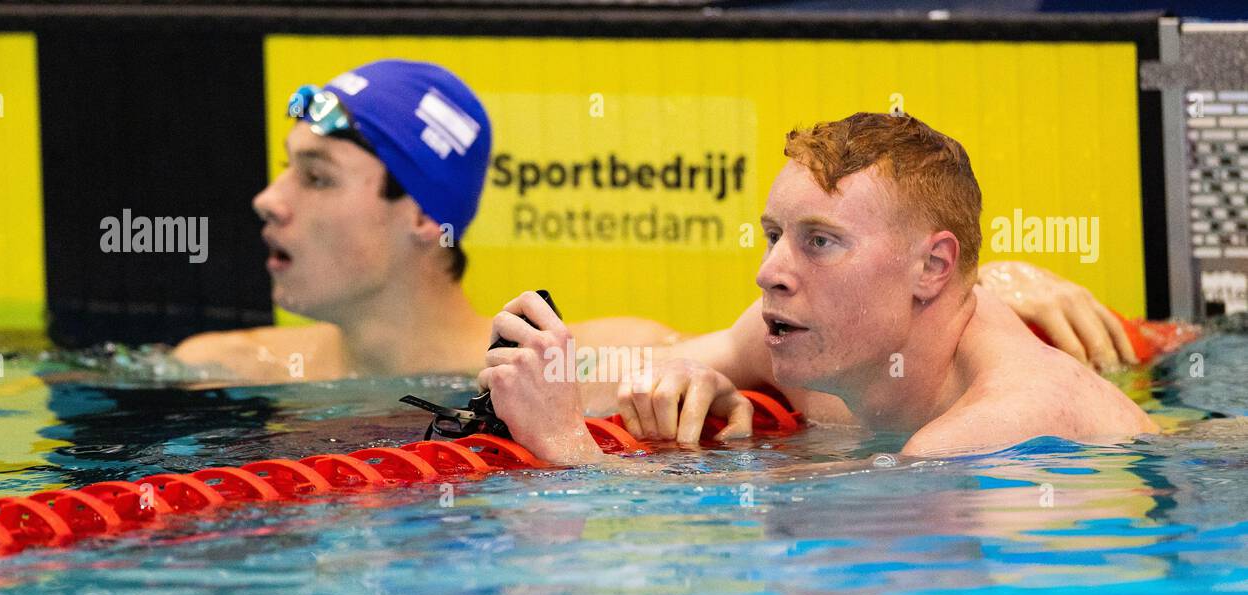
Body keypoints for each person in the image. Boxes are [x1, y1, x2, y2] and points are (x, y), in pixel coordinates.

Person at [174, 60, 1136, 384]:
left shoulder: (599, 363)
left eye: (315, 174)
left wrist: (988, 292)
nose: (267, 198)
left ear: (426, 215)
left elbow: (781, 343)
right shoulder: (221, 365)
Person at [477, 113, 1158, 463]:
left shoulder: (997, 427)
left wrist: (569, 450)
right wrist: (686, 380)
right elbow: (621, 381)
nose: (771, 270)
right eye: (774, 233)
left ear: (932, 268)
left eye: (820, 241)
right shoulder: (805, 339)